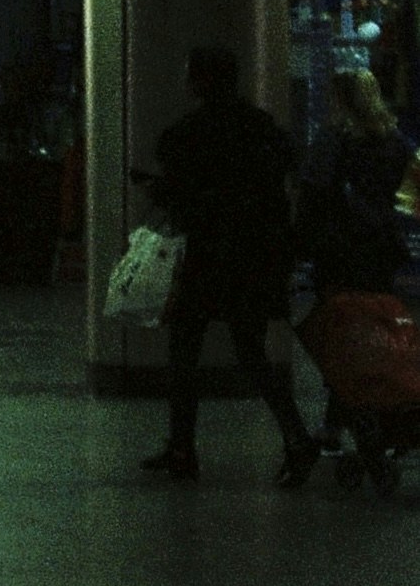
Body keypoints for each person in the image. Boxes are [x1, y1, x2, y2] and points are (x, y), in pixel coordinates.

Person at [141, 45, 320, 485]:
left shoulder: (185, 135)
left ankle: (182, 447)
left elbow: (184, 195)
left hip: (205, 258)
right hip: (254, 258)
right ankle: (296, 436)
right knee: (251, 351)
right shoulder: (261, 129)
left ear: (200, 81)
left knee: (184, 349)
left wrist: (158, 191)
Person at [302, 68, 412, 298]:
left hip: (340, 239)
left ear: (341, 99)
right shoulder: (394, 139)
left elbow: (318, 185)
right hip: (383, 237)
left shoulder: (334, 137)